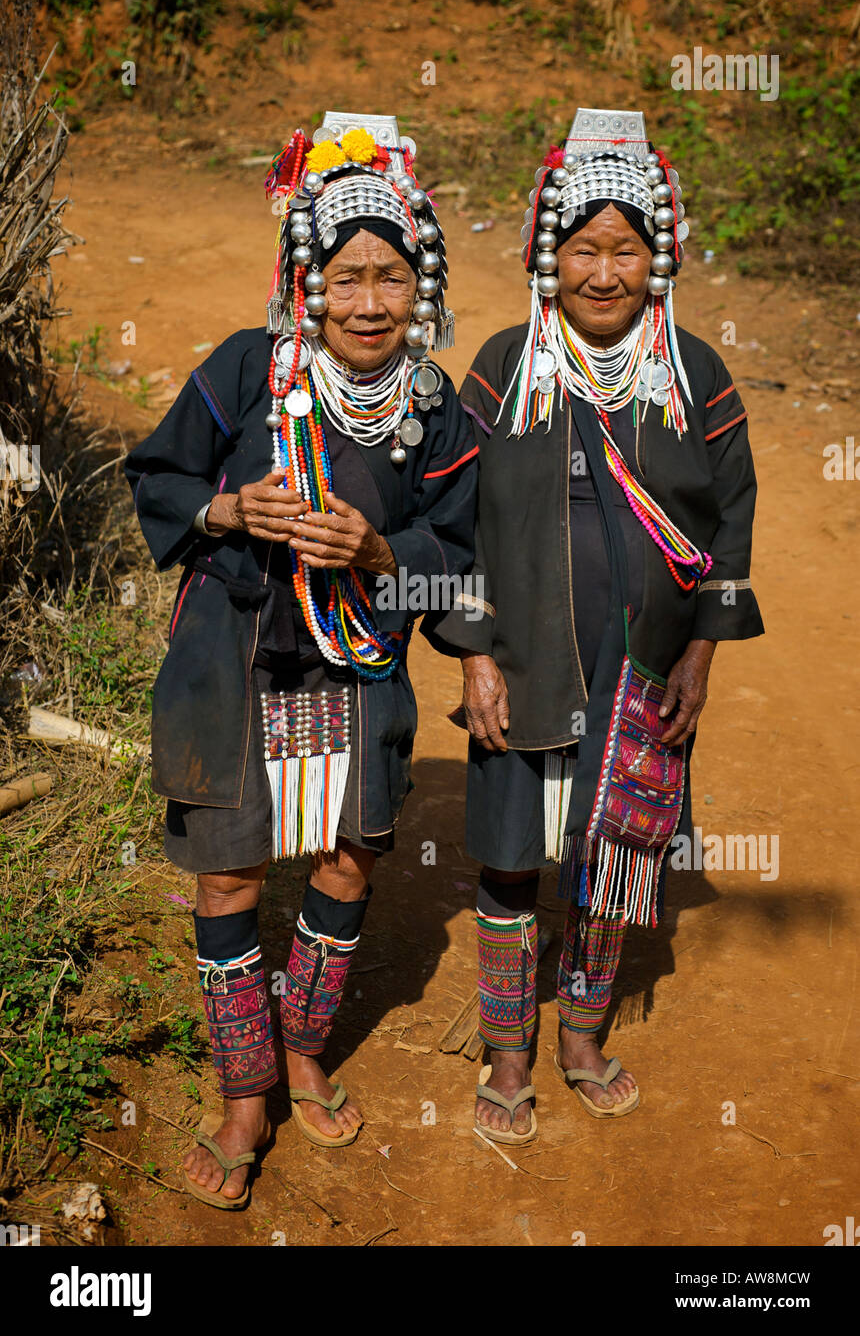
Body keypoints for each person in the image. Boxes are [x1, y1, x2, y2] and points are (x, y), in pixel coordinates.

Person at [124, 112, 477, 1206]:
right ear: (305, 281)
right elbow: (157, 476)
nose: (369, 300)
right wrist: (226, 508)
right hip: (235, 663)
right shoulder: (244, 369)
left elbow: (456, 561)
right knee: (229, 870)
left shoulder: (432, 409)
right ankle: (242, 1088)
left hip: (354, 673)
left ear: (420, 289)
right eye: (347, 275)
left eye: (392, 276)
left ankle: (304, 1045)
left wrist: (383, 549)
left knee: (345, 859)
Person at [434, 107, 764, 1145]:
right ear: (550, 254)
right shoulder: (501, 366)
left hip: (644, 670)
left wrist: (700, 653)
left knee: (614, 854)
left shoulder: (694, 375)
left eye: (625, 249)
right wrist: (475, 653)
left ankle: (578, 1035)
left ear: (655, 255)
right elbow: (452, 519)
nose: (604, 272)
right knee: (508, 858)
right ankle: (504, 1052)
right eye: (584, 248)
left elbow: (731, 519)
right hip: (523, 663)